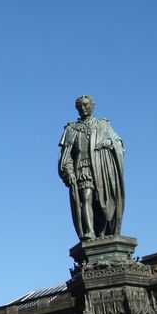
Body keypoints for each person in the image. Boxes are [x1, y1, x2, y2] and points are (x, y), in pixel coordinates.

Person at [58, 94, 125, 241]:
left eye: (86, 105)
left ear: (92, 106)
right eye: (80, 106)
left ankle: (102, 234)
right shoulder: (72, 129)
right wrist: (68, 170)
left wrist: (108, 143)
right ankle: (89, 232)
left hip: (102, 169)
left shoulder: (103, 125)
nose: (83, 108)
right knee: (86, 197)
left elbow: (119, 143)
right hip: (83, 167)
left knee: (101, 204)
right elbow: (66, 155)